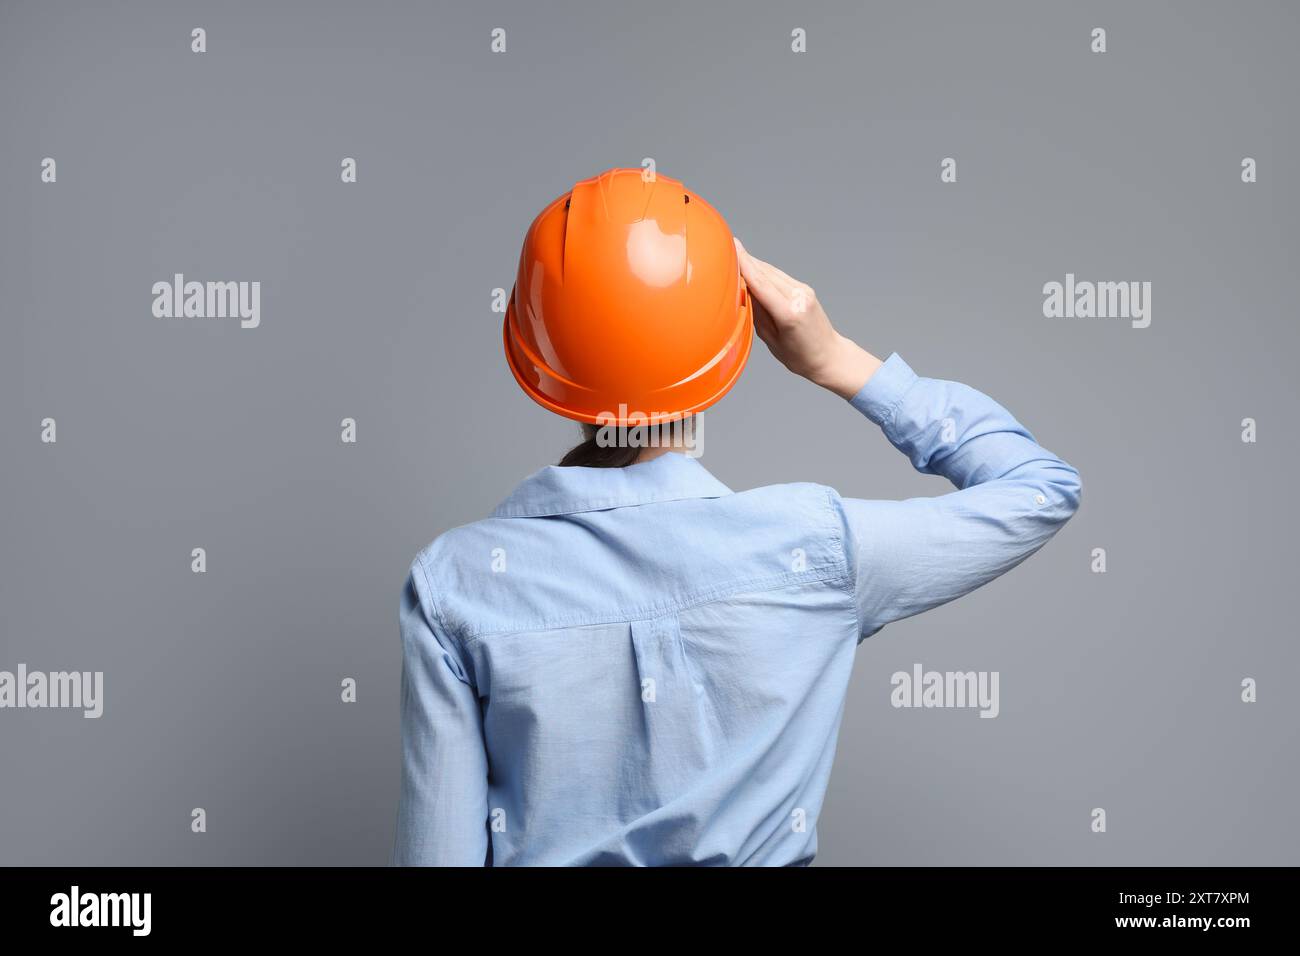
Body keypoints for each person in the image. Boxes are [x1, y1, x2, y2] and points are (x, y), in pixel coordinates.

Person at [393, 169, 1081, 866]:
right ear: (735, 334)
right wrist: (837, 359)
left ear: (533, 348)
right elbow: (1040, 487)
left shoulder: (459, 583)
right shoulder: (816, 548)